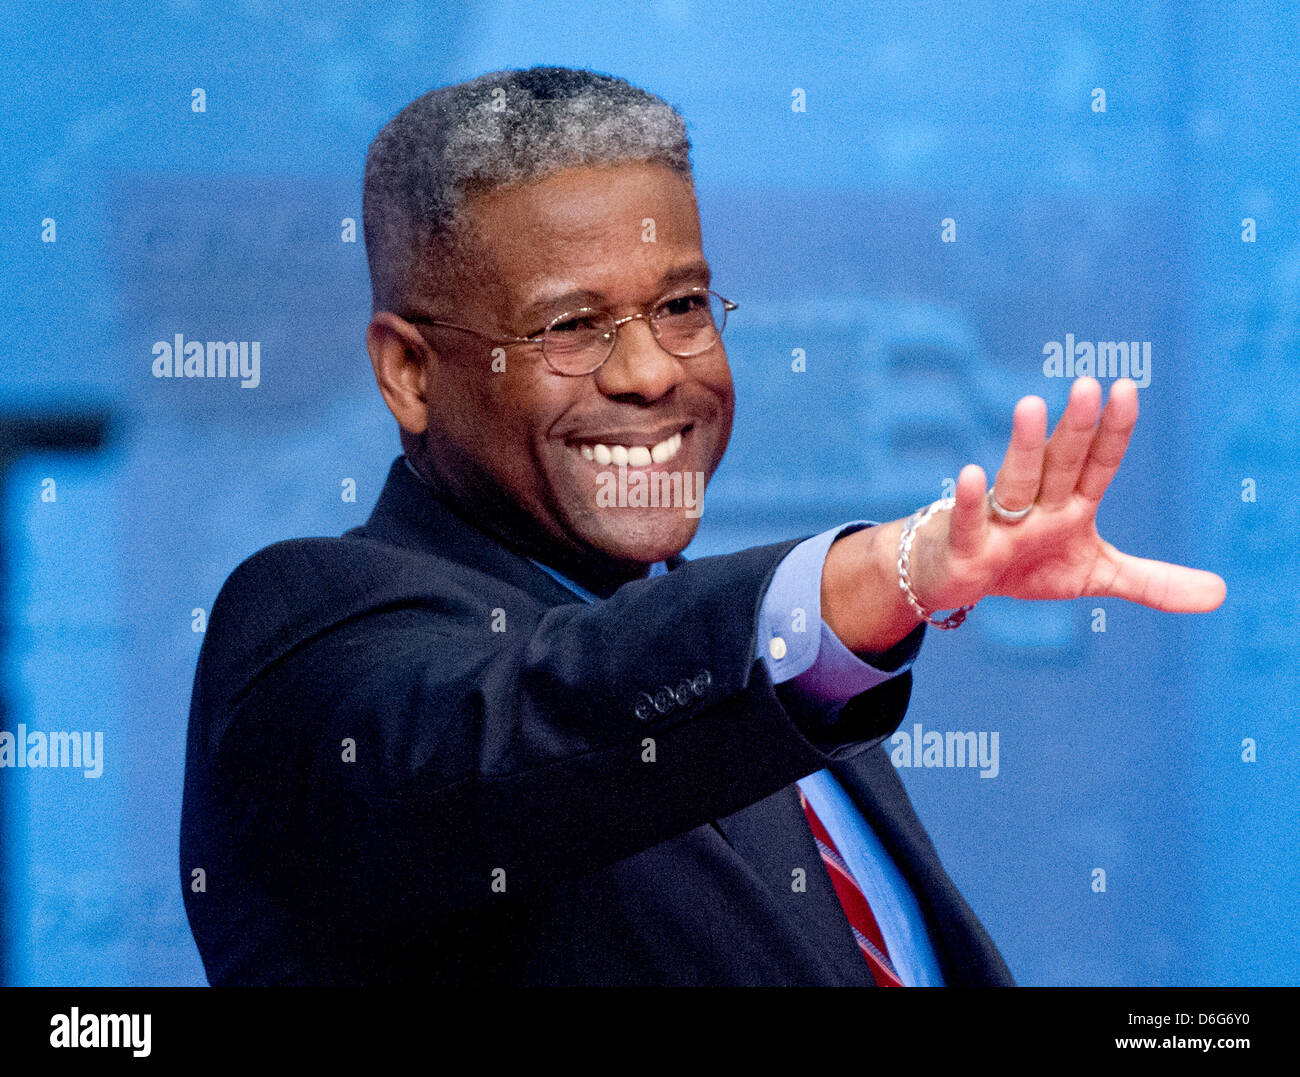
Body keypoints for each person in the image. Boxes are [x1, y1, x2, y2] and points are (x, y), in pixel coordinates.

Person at [179, 66, 1225, 986]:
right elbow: (531, 720)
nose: (650, 375)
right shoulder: (312, 633)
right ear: (409, 371)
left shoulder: (776, 690)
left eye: (681, 306)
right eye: (570, 326)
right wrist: (886, 574)